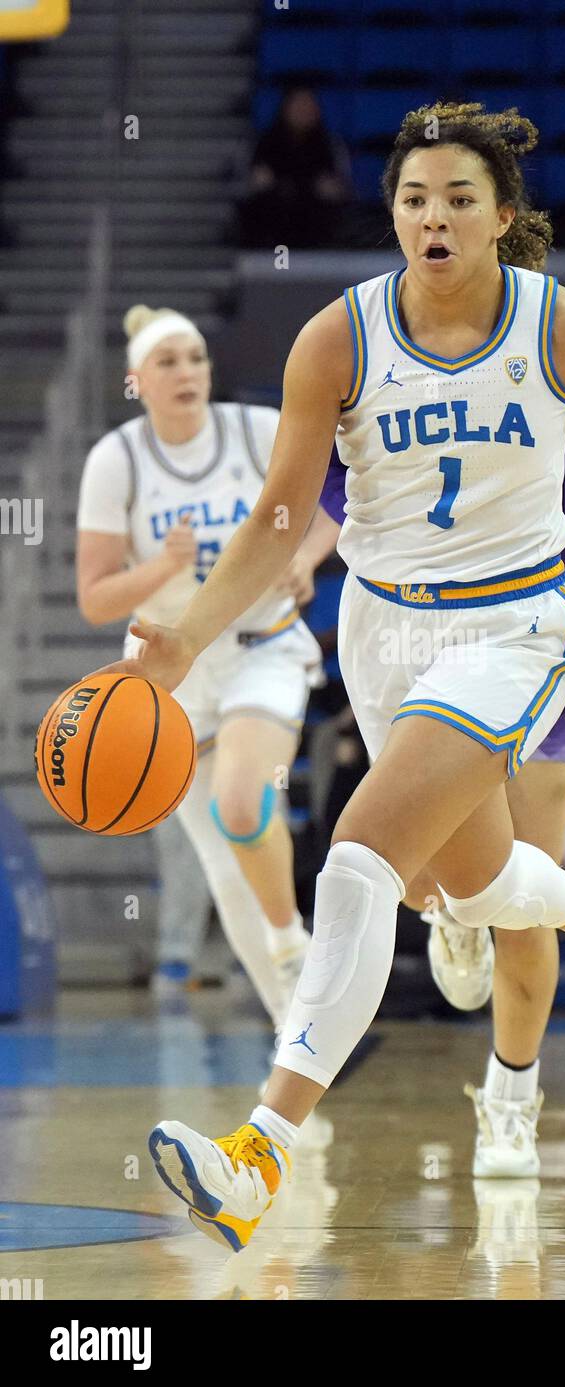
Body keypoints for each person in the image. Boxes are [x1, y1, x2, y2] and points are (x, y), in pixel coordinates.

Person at [104, 101, 565, 1252]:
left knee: (359, 855)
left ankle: (257, 1152)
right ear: (391, 217)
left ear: (501, 218)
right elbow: (283, 514)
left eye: (457, 200)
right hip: (382, 631)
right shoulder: (336, 338)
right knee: (469, 893)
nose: (432, 217)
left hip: (513, 628)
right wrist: (185, 631)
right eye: (414, 200)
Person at [292, 389, 565, 1179]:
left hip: (521, 628)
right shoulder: (378, 339)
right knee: (415, 873)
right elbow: (333, 470)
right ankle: (452, 911)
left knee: (525, 902)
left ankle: (511, 1098)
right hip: (411, 631)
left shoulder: (559, 339)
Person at [76, 305, 323, 1027]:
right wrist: (162, 567)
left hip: (261, 646)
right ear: (137, 381)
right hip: (166, 674)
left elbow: (341, 504)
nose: (186, 372)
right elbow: (94, 598)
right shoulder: (116, 460)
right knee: (224, 872)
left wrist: (306, 556)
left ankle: (289, 939)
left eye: (195, 358)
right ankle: (294, 1038)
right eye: (168, 362)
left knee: (242, 804)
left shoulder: (256, 430)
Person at [238, 86, 353, 250]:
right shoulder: (264, 143)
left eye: (308, 106)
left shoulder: (329, 144)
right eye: (298, 106)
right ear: (285, 109)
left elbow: (341, 186)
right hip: (274, 215)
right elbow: (250, 181)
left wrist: (333, 189)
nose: (303, 111)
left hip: (315, 216)